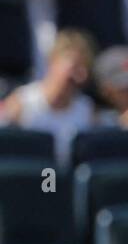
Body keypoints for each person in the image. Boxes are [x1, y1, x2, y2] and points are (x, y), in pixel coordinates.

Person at [0, 27, 98, 164]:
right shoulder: (22, 102)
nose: (80, 76)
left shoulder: (87, 110)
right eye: (75, 67)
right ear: (53, 61)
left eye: (85, 69)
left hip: (63, 182)